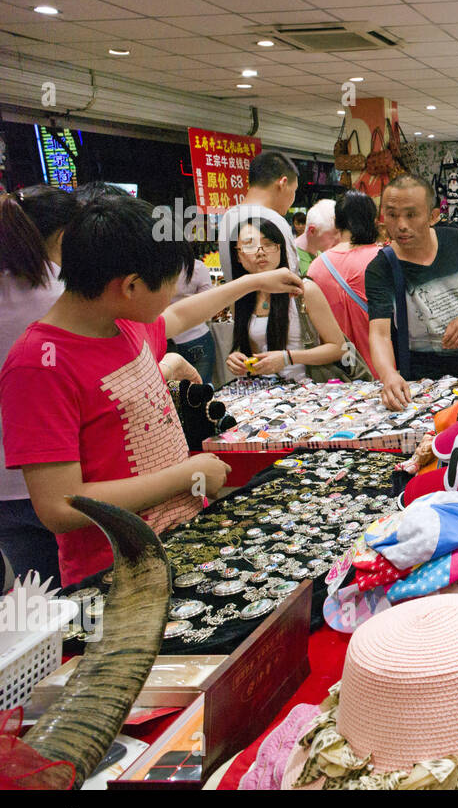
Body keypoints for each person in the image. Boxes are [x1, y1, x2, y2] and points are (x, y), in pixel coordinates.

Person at [0, 193, 303, 586]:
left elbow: (177, 315)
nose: (172, 296)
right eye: (169, 285)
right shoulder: (39, 366)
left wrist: (252, 282)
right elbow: (59, 505)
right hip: (119, 573)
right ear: (130, 286)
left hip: (180, 540)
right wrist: (184, 474)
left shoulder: (121, 321)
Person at [366, 174, 458, 409]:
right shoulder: (381, 267)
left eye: (411, 214)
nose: (401, 225)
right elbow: (379, 334)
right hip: (419, 385)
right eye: (392, 215)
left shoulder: (457, 242)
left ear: (433, 216)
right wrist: (388, 375)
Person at [0, 186, 76, 585]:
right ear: (65, 237)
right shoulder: (67, 295)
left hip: (4, 488)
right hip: (65, 476)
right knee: (91, 599)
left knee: (43, 601)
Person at [224, 218, 345, 381]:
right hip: (266, 393)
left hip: (307, 390)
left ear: (280, 248)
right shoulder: (240, 296)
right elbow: (254, 349)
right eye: (250, 245)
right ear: (238, 255)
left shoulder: (303, 289)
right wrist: (238, 358)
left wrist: (288, 358)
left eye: (268, 244)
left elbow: (339, 348)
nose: (261, 252)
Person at [307, 191, 380, 377]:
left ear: (337, 222)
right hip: (384, 369)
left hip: (338, 374)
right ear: (374, 220)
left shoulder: (317, 266)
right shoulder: (383, 258)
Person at [217, 151, 298, 282]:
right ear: (283, 183)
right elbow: (291, 277)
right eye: (294, 190)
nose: (293, 198)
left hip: (238, 301)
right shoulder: (274, 221)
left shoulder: (228, 217)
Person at [167, 247, 216, 383]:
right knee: (201, 391)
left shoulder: (154, 269)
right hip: (197, 335)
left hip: (165, 339)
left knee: (172, 395)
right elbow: (208, 306)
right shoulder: (197, 267)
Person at [293, 199, 339, 274]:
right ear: (312, 231)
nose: (338, 241)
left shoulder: (320, 250)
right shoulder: (291, 255)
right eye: (332, 236)